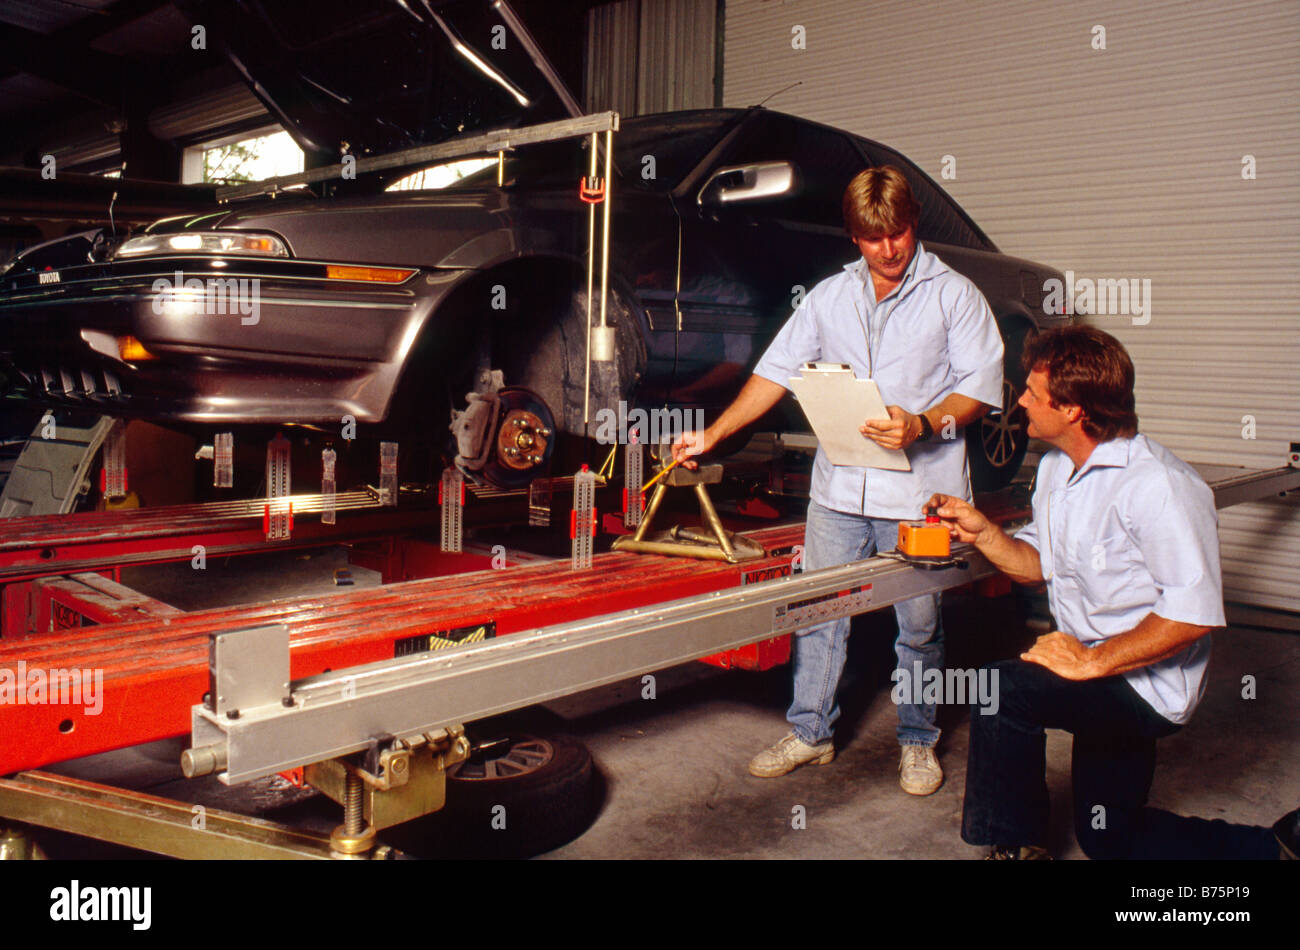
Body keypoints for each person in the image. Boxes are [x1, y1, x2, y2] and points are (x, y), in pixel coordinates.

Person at [672, 166, 1004, 794]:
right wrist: (713, 435)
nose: (890, 250)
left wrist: (925, 422)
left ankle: (918, 740)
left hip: (920, 495)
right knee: (820, 612)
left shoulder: (954, 296)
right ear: (854, 236)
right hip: (838, 492)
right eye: (874, 238)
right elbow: (776, 372)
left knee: (919, 624)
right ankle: (811, 732)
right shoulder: (829, 297)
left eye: (900, 233)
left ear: (913, 225)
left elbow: (982, 390)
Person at [928, 325, 1297, 859]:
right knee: (1112, 838)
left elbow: (1192, 616)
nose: (1021, 401)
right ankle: (1276, 850)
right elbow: (1037, 566)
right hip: (1097, 666)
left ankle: (1013, 849)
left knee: (1001, 689)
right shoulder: (1057, 469)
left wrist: (1091, 662)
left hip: (1146, 684)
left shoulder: (1160, 487)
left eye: (1032, 392)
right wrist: (984, 532)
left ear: (1073, 408)